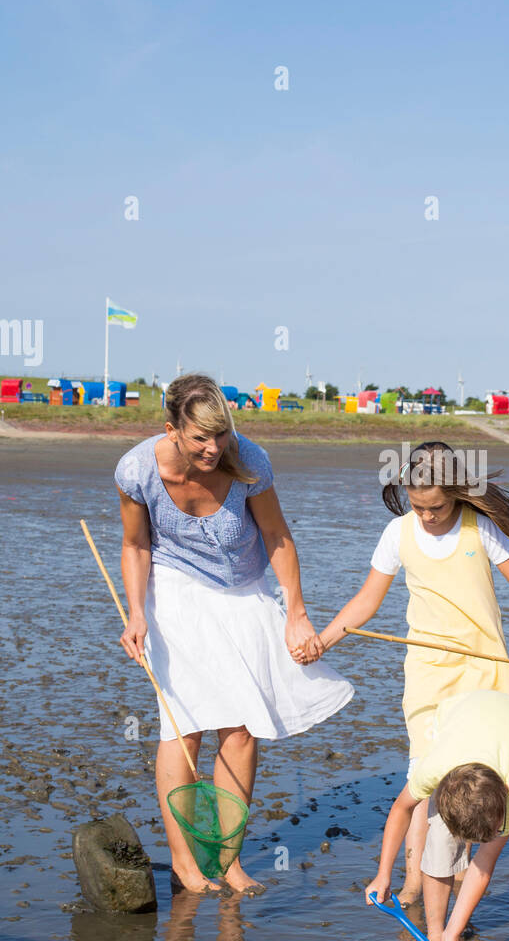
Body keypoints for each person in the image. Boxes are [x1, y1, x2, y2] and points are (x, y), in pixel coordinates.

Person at [114, 373, 353, 895]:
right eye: (200, 437)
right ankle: (184, 861)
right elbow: (136, 546)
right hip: (174, 589)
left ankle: (227, 860)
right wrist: (136, 614)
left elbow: (276, 534)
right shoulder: (137, 470)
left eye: (220, 434)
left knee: (242, 725)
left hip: (244, 587)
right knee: (187, 724)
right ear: (172, 429)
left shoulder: (249, 462)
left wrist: (296, 612)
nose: (213, 447)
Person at [298, 441, 509, 903]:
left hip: (484, 669)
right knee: (426, 778)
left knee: (474, 778)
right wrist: (323, 641)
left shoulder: (480, 528)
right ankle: (414, 881)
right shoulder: (398, 533)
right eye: (418, 506)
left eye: (437, 507)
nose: (428, 516)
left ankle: (454, 872)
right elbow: (367, 600)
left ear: (456, 494)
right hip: (428, 674)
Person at [365, 689, 509, 941]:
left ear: (504, 798)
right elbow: (401, 809)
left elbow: (483, 866)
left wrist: (454, 932)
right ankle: (434, 939)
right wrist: (382, 874)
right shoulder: (432, 768)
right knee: (439, 842)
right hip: (458, 716)